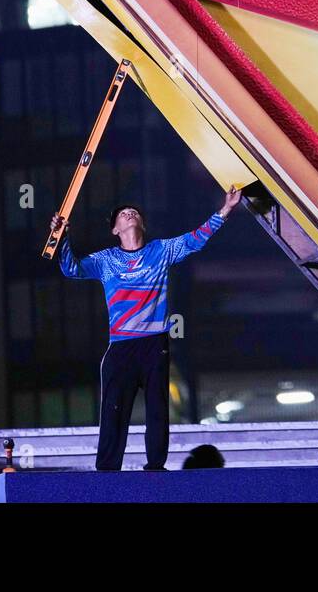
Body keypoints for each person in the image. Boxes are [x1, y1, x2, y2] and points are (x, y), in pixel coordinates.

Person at [50, 186, 242, 471]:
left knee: (157, 409)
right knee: (114, 410)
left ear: (142, 224)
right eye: (123, 214)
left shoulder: (160, 250)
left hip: (154, 344)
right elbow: (71, 269)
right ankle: (107, 470)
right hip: (121, 346)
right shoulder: (105, 260)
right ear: (115, 229)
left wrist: (225, 210)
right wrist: (61, 236)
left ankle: (155, 467)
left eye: (134, 212)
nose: (130, 214)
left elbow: (194, 240)